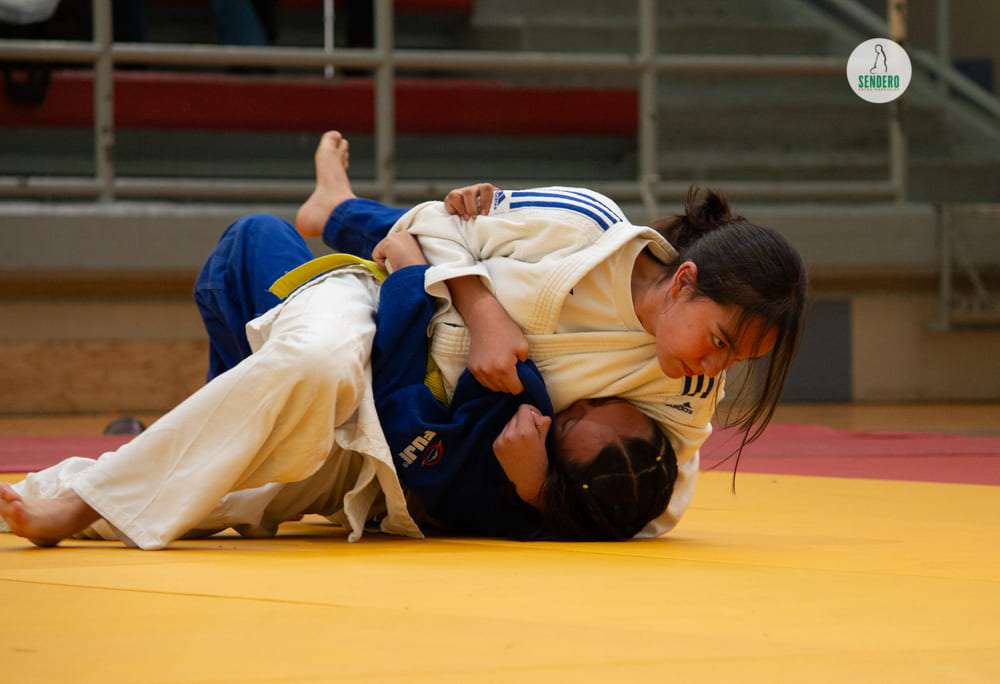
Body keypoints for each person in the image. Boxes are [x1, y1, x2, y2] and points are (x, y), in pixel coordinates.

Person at [0, 130, 806, 548]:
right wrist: (485, 311)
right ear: (686, 281)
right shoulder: (585, 225)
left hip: (401, 430)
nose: (718, 367)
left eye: (742, 360)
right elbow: (431, 225)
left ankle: (332, 209)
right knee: (311, 358)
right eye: (723, 339)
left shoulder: (688, 395)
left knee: (247, 488)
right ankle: (82, 497)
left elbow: (644, 506)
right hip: (383, 315)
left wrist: (536, 492)